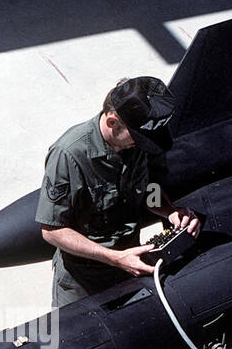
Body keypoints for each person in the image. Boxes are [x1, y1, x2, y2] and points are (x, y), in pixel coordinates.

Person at [36, 76, 201, 308]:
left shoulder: (138, 144)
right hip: (84, 281)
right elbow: (52, 230)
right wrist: (114, 258)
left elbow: (148, 188)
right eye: (138, 138)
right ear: (113, 122)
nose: (143, 145)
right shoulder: (69, 154)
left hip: (130, 265)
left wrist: (169, 212)